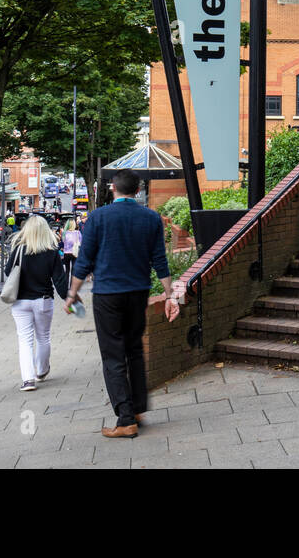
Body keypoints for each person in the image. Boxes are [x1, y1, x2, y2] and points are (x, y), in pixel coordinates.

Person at [65, 169, 178, 438]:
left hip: (108, 295)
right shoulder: (151, 218)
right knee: (134, 350)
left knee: (113, 355)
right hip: (137, 293)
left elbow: (85, 260)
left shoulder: (98, 217)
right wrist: (170, 295)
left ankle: (126, 419)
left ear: (113, 189)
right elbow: (159, 261)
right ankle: (137, 409)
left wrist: (72, 293)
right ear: (138, 191)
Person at [6, 216, 70, 392]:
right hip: (43, 300)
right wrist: (68, 299)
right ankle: (41, 371)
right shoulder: (51, 251)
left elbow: (7, 271)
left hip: (20, 301)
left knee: (24, 341)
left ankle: (28, 380)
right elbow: (59, 280)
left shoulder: (19, 249)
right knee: (43, 337)